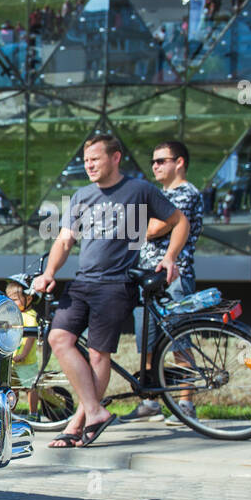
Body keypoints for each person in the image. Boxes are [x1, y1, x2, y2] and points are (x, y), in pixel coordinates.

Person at [32, 134, 186, 448]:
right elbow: (64, 240)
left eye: (95, 159)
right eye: (86, 160)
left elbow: (178, 221)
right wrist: (49, 272)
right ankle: (94, 411)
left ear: (115, 158)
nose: (89, 165)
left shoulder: (139, 190)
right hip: (83, 281)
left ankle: (79, 423)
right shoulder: (81, 196)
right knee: (59, 338)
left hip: (117, 284)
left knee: (99, 354)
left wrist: (170, 258)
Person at [125, 140, 205, 421]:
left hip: (173, 277)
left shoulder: (185, 193)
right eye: (153, 162)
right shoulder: (160, 194)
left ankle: (185, 404)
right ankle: (150, 402)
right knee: (146, 343)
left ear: (179, 162)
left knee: (178, 339)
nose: (155, 166)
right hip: (147, 278)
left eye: (161, 161)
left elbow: (156, 228)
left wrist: (144, 225)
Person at [6, 279, 40, 416]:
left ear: (28, 298)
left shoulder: (29, 316)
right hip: (13, 359)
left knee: (30, 388)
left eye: (15, 300)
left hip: (26, 362)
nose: (11, 303)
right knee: (13, 389)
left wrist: (24, 354)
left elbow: (30, 338)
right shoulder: (13, 315)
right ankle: (10, 414)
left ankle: (33, 413)